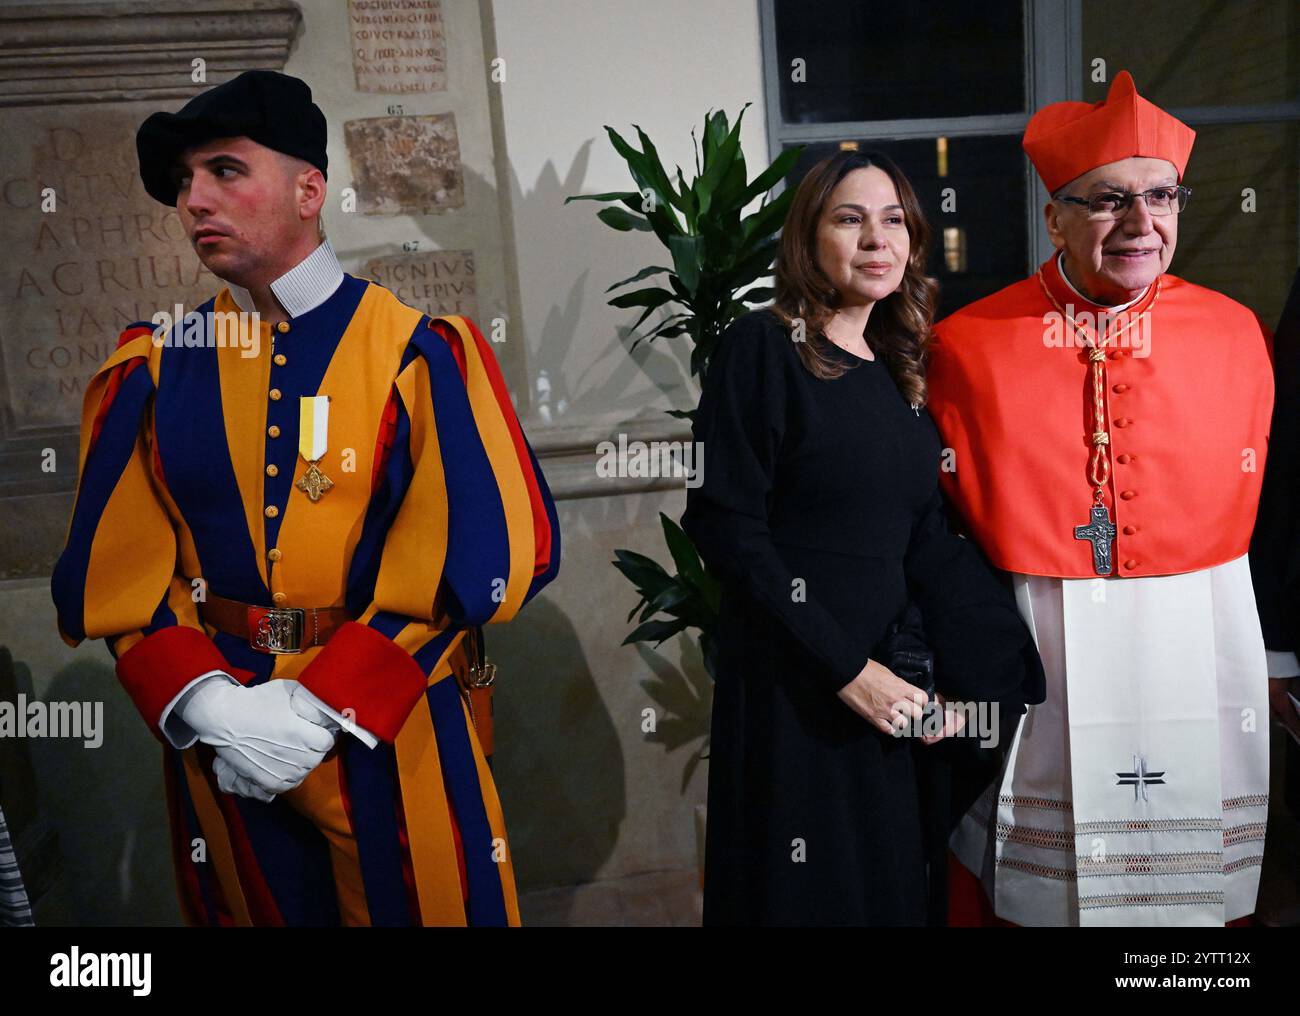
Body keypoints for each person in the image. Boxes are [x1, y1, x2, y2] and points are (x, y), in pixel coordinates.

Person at [50, 70, 559, 926]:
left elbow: (487, 550)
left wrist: (324, 703)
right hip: (224, 730)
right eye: (182, 185)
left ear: (309, 189)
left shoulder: (419, 351)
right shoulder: (154, 367)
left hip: (392, 724)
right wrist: (213, 706)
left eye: (223, 171)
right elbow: (116, 570)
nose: (193, 201)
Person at [929, 71, 1276, 926]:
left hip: (1200, 625)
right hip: (1041, 631)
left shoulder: (1235, 332)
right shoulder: (968, 344)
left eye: (1162, 196)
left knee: (1189, 866)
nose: (1141, 223)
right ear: (1054, 217)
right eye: (1108, 201)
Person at [683, 150, 1045, 926]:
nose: (877, 239)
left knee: (885, 893)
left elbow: (921, 538)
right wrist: (848, 671)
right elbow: (725, 526)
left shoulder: (892, 368)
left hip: (886, 694)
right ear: (808, 240)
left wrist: (989, 675)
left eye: (893, 222)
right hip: (798, 691)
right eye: (850, 219)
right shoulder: (761, 350)